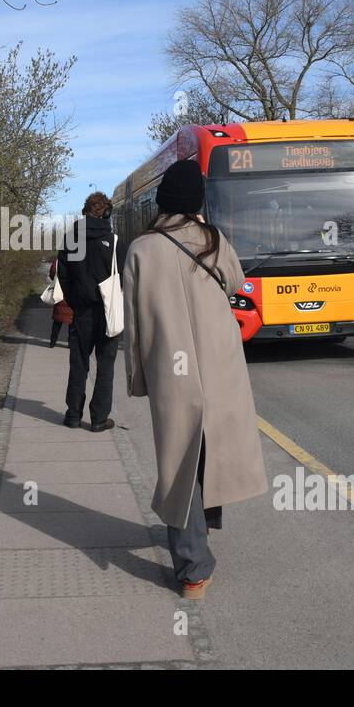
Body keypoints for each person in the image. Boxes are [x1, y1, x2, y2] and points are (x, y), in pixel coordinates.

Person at [121, 160, 267, 599]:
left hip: (171, 368)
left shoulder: (140, 249)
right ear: (197, 202)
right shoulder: (213, 240)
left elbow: (132, 323)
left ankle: (192, 569)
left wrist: (137, 378)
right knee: (209, 452)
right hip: (218, 362)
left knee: (179, 462)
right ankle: (197, 549)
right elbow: (236, 283)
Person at [57, 191, 124, 431]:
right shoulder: (114, 241)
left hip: (81, 311)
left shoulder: (71, 239)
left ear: (84, 211)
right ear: (106, 213)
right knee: (106, 365)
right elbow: (122, 278)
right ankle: (99, 419)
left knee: (78, 363)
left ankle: (73, 414)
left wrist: (73, 299)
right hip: (107, 313)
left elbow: (63, 275)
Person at [47, 258, 73, 348]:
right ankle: (71, 343)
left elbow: (52, 274)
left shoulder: (58, 261)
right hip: (72, 293)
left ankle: (52, 342)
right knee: (72, 321)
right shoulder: (78, 260)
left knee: (57, 320)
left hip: (60, 291)